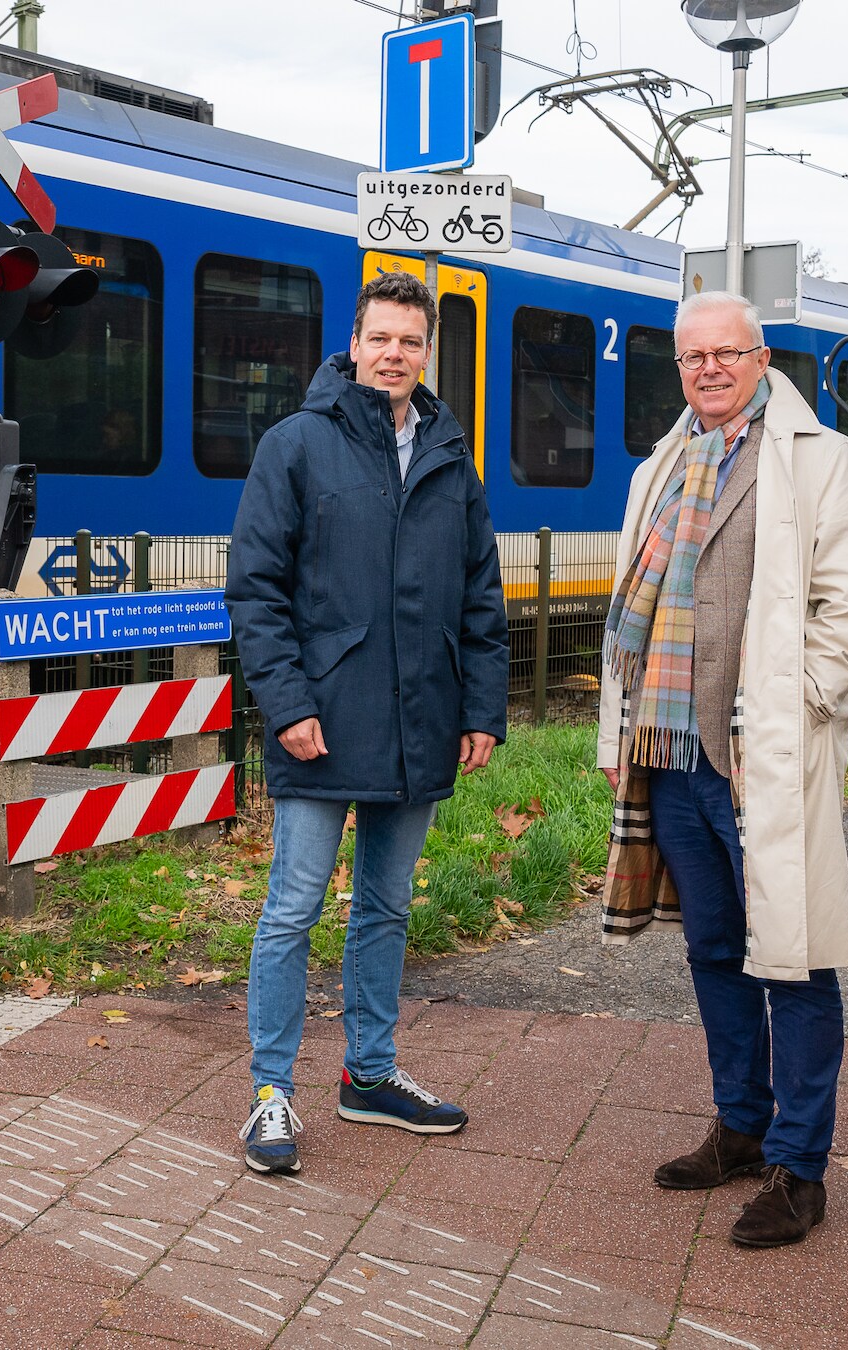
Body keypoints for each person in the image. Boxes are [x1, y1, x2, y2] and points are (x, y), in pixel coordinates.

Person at [597, 290, 848, 1248]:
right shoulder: (661, 468)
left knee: (794, 960)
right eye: (692, 358)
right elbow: (627, 624)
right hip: (671, 756)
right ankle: (742, 1127)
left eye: (729, 353)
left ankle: (802, 1169)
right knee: (715, 953)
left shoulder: (823, 463)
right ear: (676, 369)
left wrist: (795, 713)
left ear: (763, 359)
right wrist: (619, 735)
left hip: (762, 757)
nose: (710, 369)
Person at [226, 271, 508, 1174]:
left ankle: (369, 1075)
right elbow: (257, 591)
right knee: (292, 910)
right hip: (325, 723)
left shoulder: (450, 456)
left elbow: (480, 596)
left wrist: (481, 709)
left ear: (429, 352)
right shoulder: (297, 445)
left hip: (422, 721)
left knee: (385, 909)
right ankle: (272, 1094)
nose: (395, 355)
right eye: (381, 339)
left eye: (411, 342)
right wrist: (288, 703)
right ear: (354, 346)